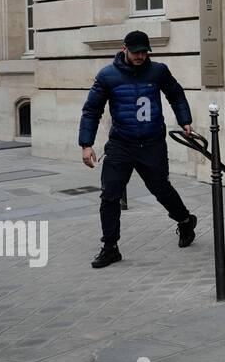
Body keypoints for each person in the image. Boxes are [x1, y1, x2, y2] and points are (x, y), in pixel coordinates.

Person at [78, 30, 198, 268]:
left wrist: (185, 120)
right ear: (124, 49)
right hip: (120, 144)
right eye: (136, 52)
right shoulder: (107, 75)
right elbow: (92, 110)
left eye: (144, 52)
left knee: (161, 189)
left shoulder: (158, 71)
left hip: (152, 142)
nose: (141, 56)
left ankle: (185, 220)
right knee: (110, 195)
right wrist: (86, 144)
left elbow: (176, 94)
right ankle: (110, 247)